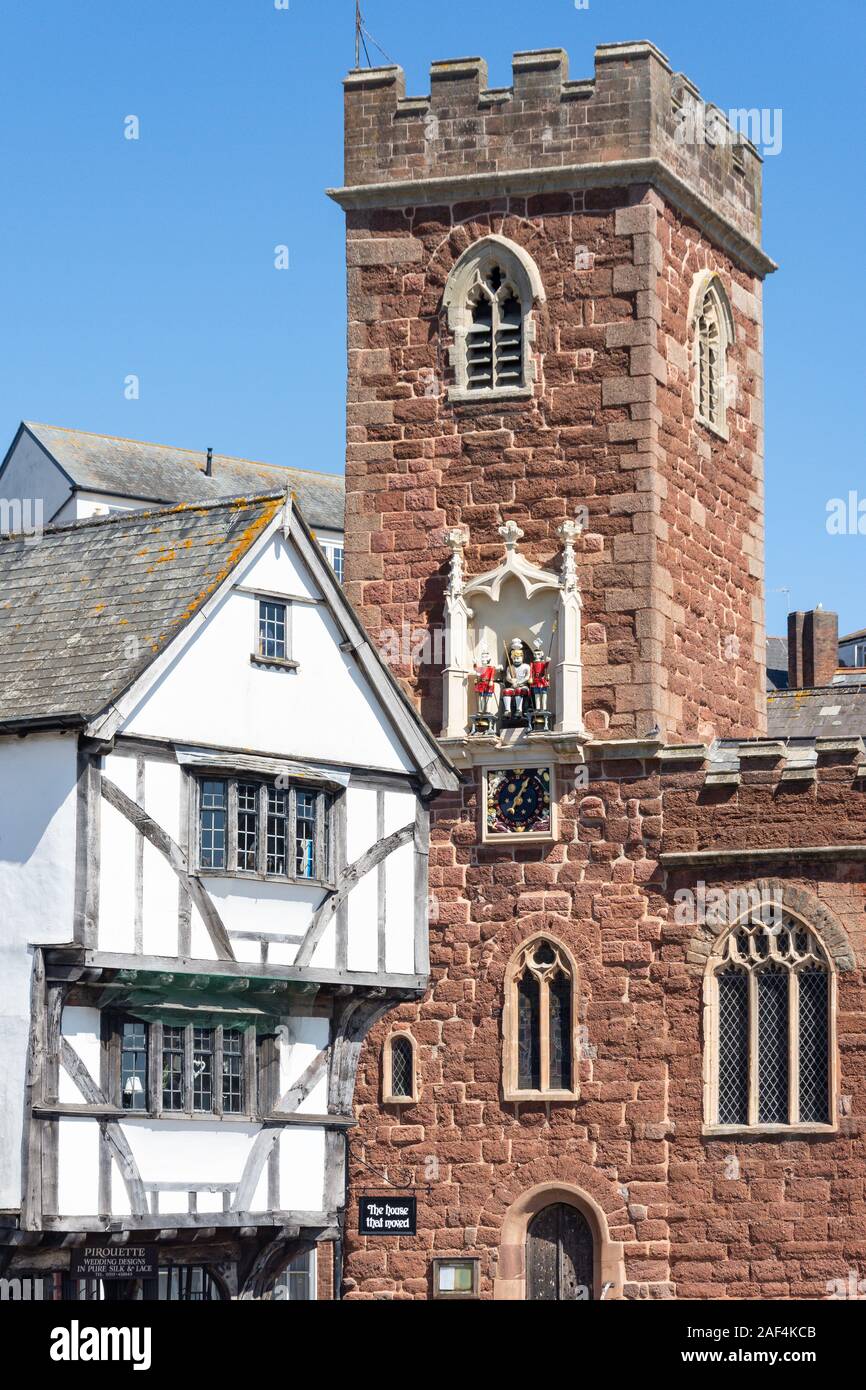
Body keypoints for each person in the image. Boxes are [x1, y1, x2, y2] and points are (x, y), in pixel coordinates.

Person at [530, 637, 550, 712]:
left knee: (544, 694)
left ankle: (544, 708)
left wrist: (547, 661)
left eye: (538, 654)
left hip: (542, 679)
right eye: (535, 654)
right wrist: (530, 678)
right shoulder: (532, 663)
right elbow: (531, 671)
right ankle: (537, 708)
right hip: (535, 680)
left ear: (541, 654)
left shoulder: (542, 663)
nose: (536, 656)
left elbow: (545, 667)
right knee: (537, 695)